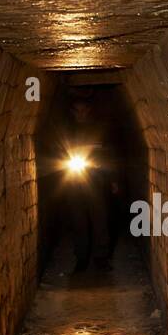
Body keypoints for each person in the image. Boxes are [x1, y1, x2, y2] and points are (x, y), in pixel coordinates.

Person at [63, 98, 117, 272]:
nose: (81, 114)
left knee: (99, 218)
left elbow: (109, 155)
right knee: (78, 219)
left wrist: (113, 179)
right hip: (74, 180)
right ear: (72, 112)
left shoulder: (98, 131)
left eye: (84, 110)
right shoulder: (67, 132)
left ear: (89, 111)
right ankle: (81, 258)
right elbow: (58, 153)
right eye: (77, 111)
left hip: (95, 179)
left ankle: (101, 257)